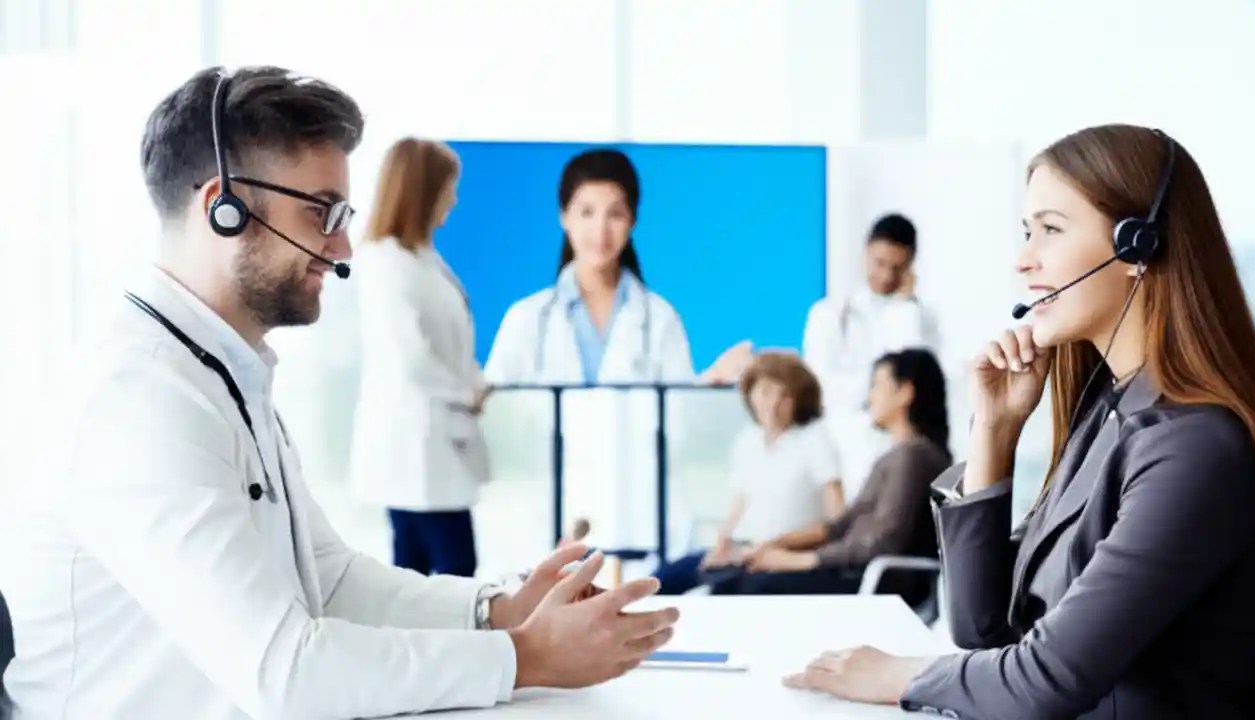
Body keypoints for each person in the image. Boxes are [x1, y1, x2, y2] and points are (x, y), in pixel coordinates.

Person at [0, 66, 678, 720]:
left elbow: (329, 580)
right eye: (323, 212)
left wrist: (499, 609)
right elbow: (286, 670)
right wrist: (524, 656)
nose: (344, 244)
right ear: (224, 208)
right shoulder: (139, 401)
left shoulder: (221, 373)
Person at [783, 125, 1255, 719]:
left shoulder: (1194, 446)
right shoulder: (1107, 413)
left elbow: (1045, 681)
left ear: (1138, 247)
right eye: (1027, 232)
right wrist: (993, 434)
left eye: (1050, 229)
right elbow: (983, 626)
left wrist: (898, 675)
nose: (1024, 260)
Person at [484, 148, 752, 554]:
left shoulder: (658, 319)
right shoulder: (527, 319)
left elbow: (679, 427)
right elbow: (501, 423)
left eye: (615, 213)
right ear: (564, 217)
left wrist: (707, 384)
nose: (600, 229)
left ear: (633, 221)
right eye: (586, 212)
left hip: (636, 513)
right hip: (546, 512)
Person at [349, 138, 489, 578]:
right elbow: (410, 357)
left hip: (435, 439)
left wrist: (475, 381)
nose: (455, 197)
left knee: (420, 567)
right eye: (449, 186)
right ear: (424, 189)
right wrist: (467, 391)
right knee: (451, 565)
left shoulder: (423, 259)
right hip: (414, 441)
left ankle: (426, 647)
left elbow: (451, 341)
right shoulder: (385, 263)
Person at [715, 349, 950, 597]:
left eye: (876, 386)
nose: (870, 397)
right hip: (852, 571)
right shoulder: (894, 457)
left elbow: (881, 542)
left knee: (751, 587)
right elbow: (840, 527)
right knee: (735, 581)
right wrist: (775, 546)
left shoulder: (914, 458)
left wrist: (800, 560)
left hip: (871, 579)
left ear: (905, 393)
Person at [651, 352, 845, 595]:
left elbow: (837, 522)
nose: (772, 403)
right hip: (745, 551)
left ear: (799, 399)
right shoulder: (749, 441)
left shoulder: (814, 440)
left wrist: (778, 544)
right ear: (750, 394)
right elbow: (740, 501)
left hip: (787, 556)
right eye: (765, 392)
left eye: (784, 395)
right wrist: (721, 544)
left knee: (723, 591)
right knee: (663, 580)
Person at [802, 213, 941, 496]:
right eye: (880, 263)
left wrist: (905, 310)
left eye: (898, 268)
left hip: (897, 450)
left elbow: (917, 384)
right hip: (842, 448)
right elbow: (820, 388)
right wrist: (876, 387)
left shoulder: (918, 317)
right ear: (865, 253)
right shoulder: (829, 315)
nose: (888, 276)